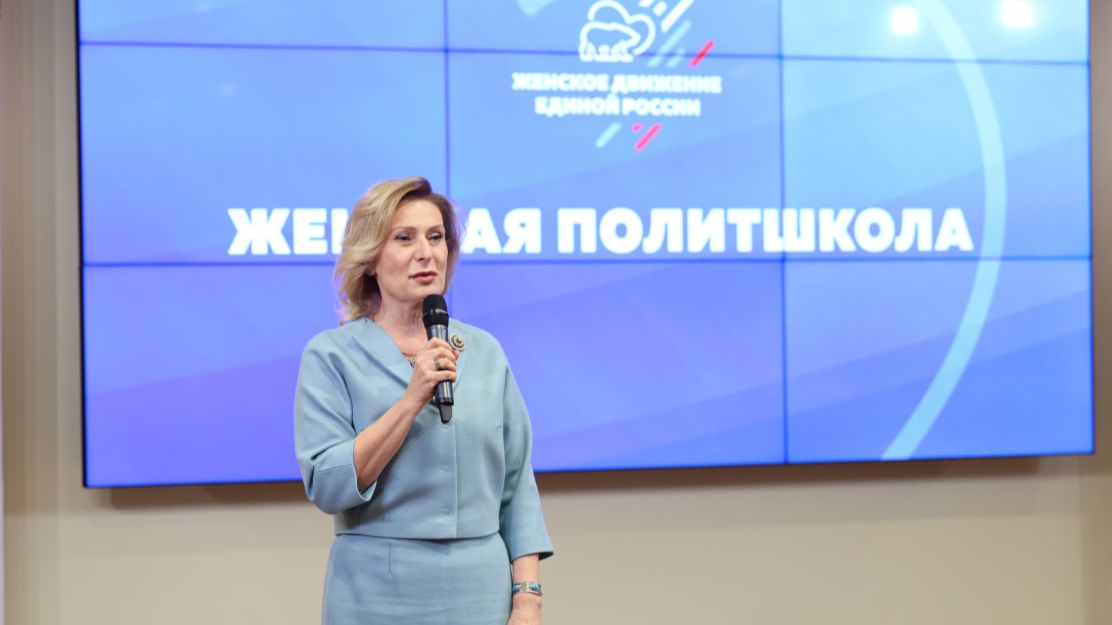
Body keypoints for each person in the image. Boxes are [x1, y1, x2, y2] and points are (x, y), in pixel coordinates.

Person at [294, 177, 553, 625]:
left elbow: (517, 484)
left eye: (436, 237)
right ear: (370, 258)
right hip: (374, 595)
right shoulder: (331, 355)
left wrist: (528, 598)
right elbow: (328, 485)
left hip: (480, 594)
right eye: (404, 238)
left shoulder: (484, 351)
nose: (426, 253)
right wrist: (411, 399)